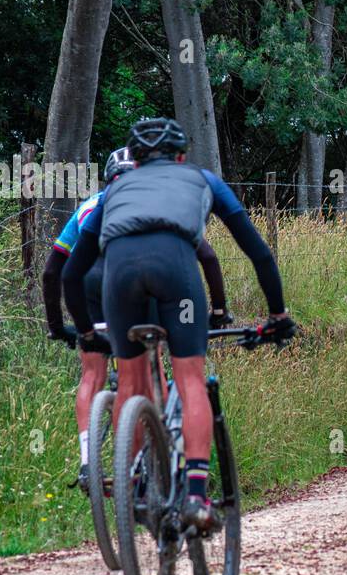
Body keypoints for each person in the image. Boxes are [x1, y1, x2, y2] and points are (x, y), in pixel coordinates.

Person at [62, 118, 294, 533]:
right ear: (182, 156)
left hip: (119, 279)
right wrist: (277, 315)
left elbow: (68, 274)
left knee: (130, 383)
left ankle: (133, 483)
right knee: (189, 378)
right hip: (176, 272)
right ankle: (195, 495)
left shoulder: (113, 191)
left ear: (136, 159)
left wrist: (84, 330)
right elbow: (258, 252)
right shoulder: (202, 179)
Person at [43, 147, 231, 492]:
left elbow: (52, 270)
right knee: (151, 358)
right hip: (144, 280)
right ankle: (149, 448)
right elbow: (206, 255)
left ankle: (88, 462)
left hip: (91, 283)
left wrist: (57, 327)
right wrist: (219, 310)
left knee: (92, 373)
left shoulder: (90, 205)